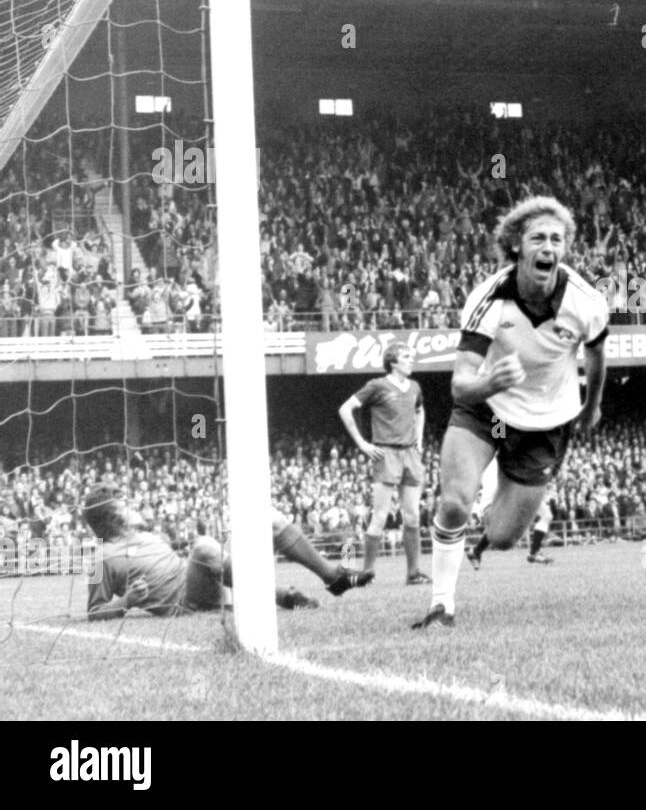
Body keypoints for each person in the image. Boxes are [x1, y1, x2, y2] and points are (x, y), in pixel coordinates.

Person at [413, 197, 608, 630]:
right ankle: (441, 604)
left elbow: (596, 358)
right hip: (489, 410)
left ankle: (490, 503)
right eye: (538, 237)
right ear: (516, 246)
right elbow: (460, 382)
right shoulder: (487, 298)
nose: (548, 246)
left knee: (501, 537)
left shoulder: (587, 301)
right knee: (453, 502)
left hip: (546, 422)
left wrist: (592, 406)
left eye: (557, 239)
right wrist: (490, 383)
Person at [80, 482, 373, 619]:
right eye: (124, 503)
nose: (133, 505)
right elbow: (94, 612)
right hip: (186, 603)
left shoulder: (143, 533)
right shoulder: (99, 559)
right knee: (204, 546)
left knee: (266, 517)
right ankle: (283, 596)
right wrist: (128, 601)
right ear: (111, 517)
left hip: (212, 582)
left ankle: (333, 576)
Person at [337, 342, 430, 584]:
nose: (412, 359)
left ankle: (413, 573)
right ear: (393, 362)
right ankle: (367, 572)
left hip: (410, 454)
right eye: (407, 356)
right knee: (380, 515)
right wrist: (362, 443)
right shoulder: (377, 386)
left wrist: (419, 437)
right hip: (386, 454)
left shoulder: (415, 387)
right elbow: (345, 409)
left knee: (412, 516)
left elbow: (420, 410)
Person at [465, 457, 556, 569]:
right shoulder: (498, 455)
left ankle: (534, 552)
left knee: (546, 515)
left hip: (515, 479)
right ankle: (476, 551)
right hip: (504, 480)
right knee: (497, 524)